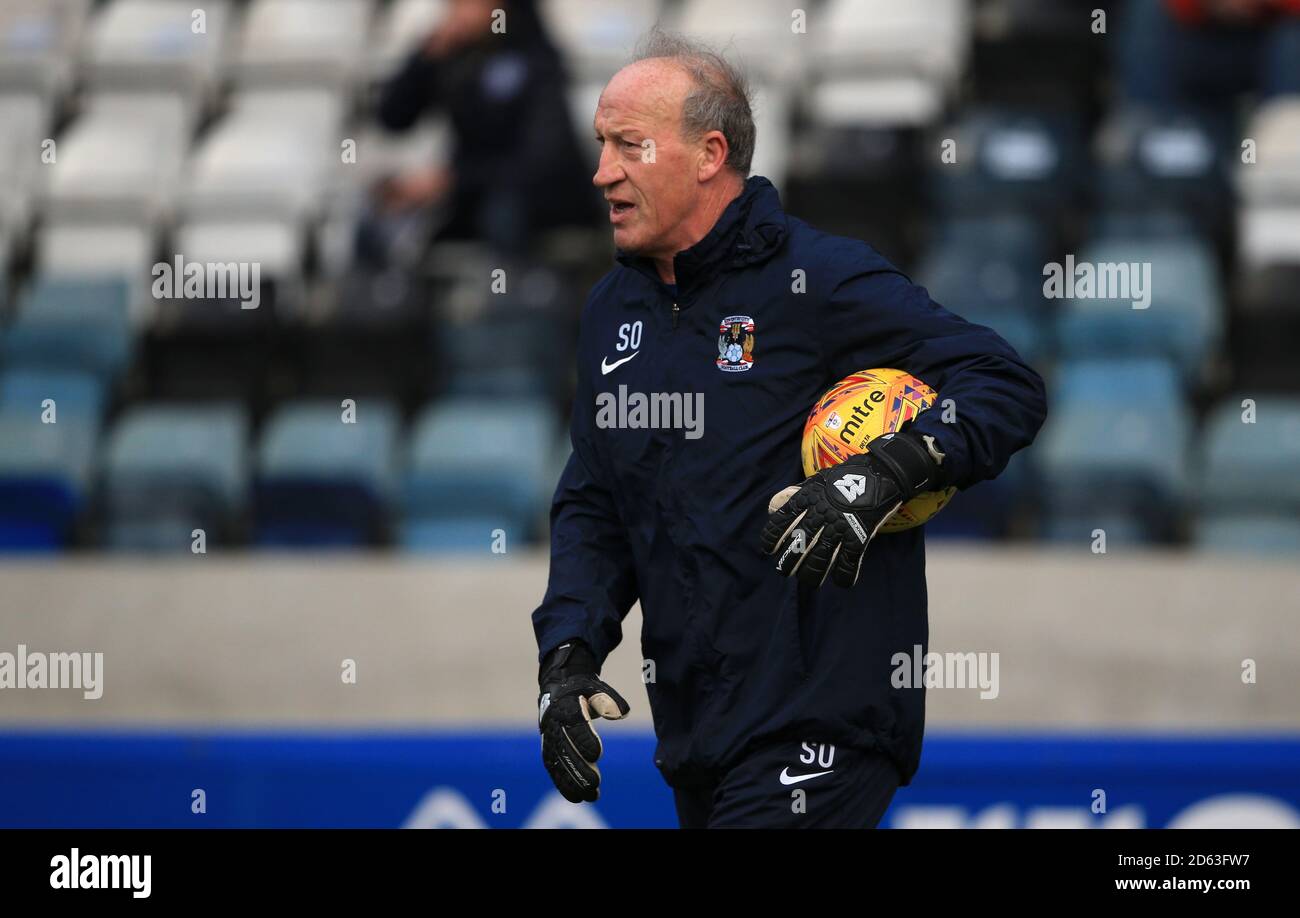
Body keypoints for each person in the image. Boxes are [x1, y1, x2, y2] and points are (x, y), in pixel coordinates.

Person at [531, 32, 1048, 829]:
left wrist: (883, 474)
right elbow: (597, 501)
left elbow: (1004, 383)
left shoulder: (818, 280)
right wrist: (568, 654)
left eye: (628, 145)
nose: (602, 172)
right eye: (601, 144)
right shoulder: (611, 312)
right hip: (699, 738)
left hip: (822, 723)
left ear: (709, 154)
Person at [373, 0, 600, 256]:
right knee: (380, 214)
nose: (460, 11)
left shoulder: (537, 59)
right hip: (469, 194)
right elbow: (392, 119)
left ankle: (514, 293)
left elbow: (542, 162)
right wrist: (425, 57)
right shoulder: (453, 55)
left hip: (537, 200)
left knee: (503, 214)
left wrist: (453, 181)